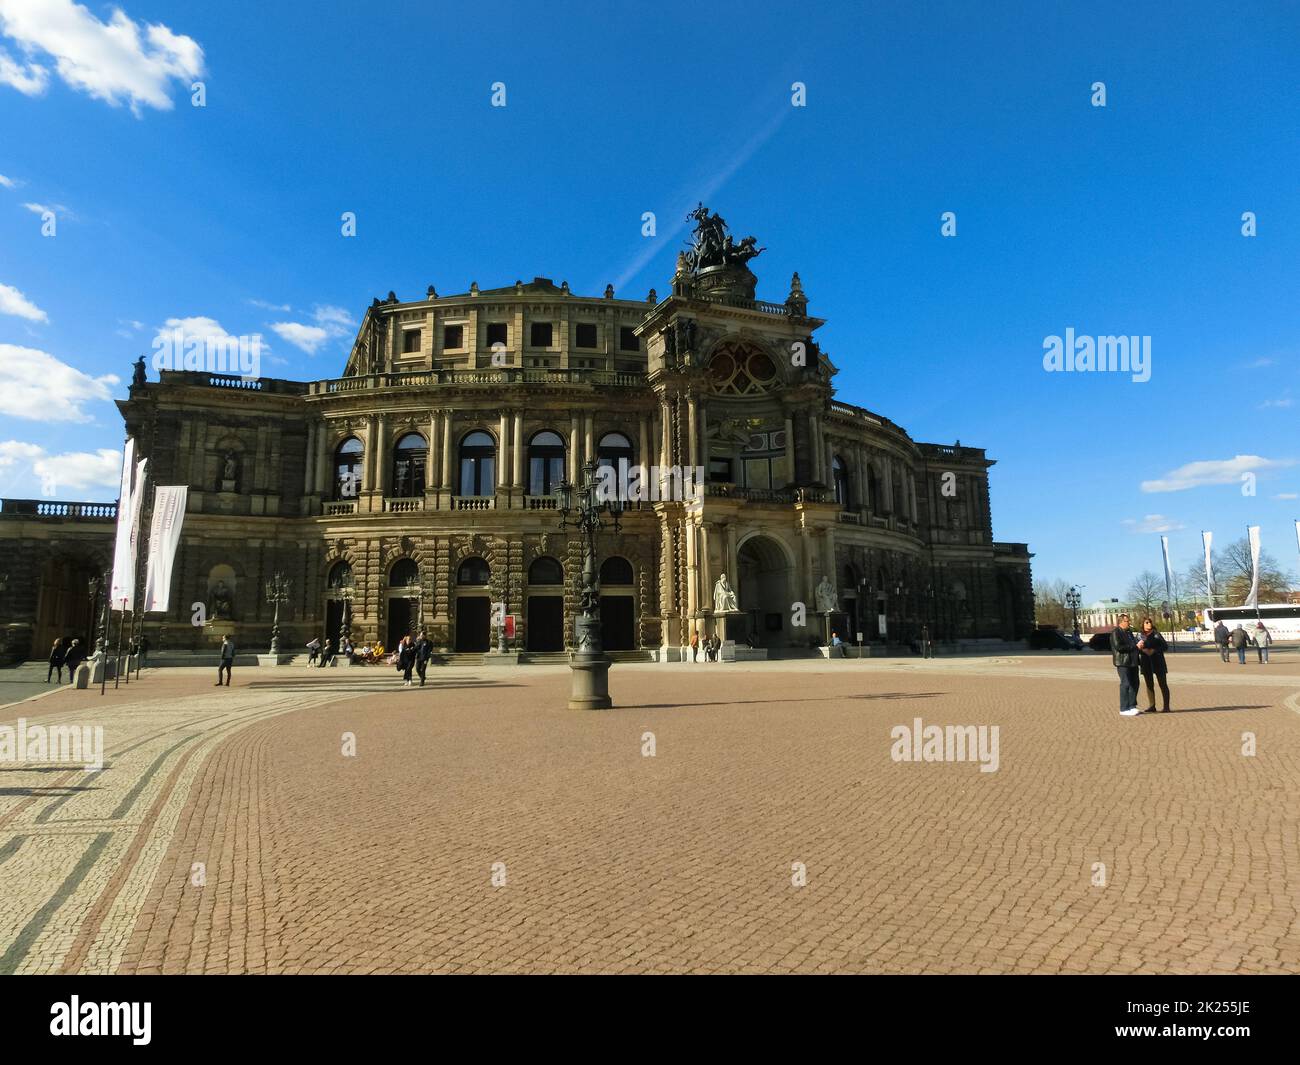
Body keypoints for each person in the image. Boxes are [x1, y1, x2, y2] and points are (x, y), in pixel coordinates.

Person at [1136, 617, 1171, 713]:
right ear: (1142, 624)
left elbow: (1165, 646)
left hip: (1158, 660)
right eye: (1146, 622)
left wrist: (1154, 650)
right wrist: (1142, 650)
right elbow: (1136, 647)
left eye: (1150, 622)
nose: (1149, 624)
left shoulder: (1156, 634)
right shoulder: (1139, 635)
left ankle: (1166, 706)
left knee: (1163, 684)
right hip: (1146, 661)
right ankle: (1152, 706)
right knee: (1149, 684)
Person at [1110, 614, 1141, 716]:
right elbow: (1119, 647)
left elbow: (1134, 644)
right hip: (1123, 662)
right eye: (1127, 621)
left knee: (1135, 683)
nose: (1129, 623)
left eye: (1129, 621)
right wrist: (1134, 646)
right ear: (1121, 622)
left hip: (1133, 661)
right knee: (1126, 684)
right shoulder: (1115, 633)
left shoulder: (1129, 633)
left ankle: (1132, 706)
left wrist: (1139, 645)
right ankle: (1124, 708)